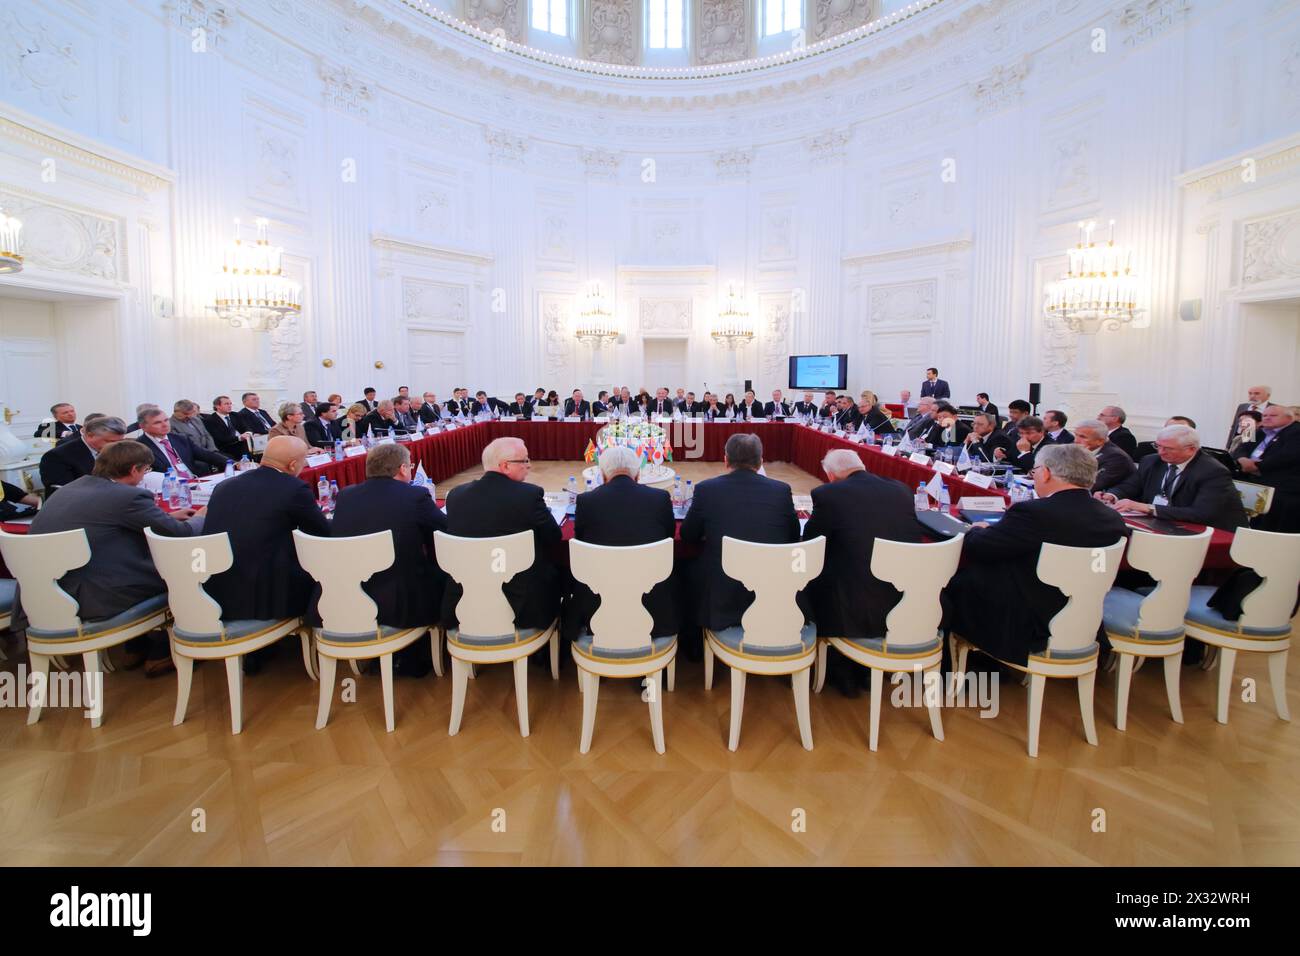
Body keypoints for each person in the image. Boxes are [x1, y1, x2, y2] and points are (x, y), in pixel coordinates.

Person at [17, 440, 205, 676]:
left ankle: (136, 647)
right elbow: (182, 533)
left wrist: (168, 517)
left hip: (43, 595)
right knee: (183, 571)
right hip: (95, 597)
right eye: (146, 470)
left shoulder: (68, 489)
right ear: (135, 470)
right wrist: (200, 516)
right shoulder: (128, 497)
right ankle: (163, 651)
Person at [942, 444, 1129, 666]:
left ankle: (965, 663)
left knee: (953, 582)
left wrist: (977, 530)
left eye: (1035, 470)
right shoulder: (1112, 517)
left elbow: (980, 548)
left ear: (1047, 472)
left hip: (1028, 619)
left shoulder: (1034, 513)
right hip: (1084, 614)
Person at [316, 443, 448, 676]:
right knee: (440, 575)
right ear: (403, 469)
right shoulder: (416, 495)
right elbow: (442, 530)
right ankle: (411, 655)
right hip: (401, 598)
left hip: (347, 592)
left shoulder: (347, 495)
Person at [803, 449, 924, 696]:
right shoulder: (901, 489)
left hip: (852, 603)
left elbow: (811, 542)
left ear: (831, 475)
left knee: (815, 580)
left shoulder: (828, 494)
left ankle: (842, 671)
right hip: (902, 597)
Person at [680, 433, 800, 635]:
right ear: (761, 461)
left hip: (722, 594)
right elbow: (793, 535)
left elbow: (688, 535)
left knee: (685, 569)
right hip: (772, 590)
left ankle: (692, 641)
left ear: (726, 460)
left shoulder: (706, 490)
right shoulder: (781, 490)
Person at [201, 436, 329, 622]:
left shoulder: (224, 486)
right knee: (324, 567)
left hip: (216, 587)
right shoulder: (293, 488)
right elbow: (321, 531)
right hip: (266, 594)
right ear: (293, 465)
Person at [441, 437, 561, 633]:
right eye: (525, 461)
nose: (529, 466)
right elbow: (553, 537)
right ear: (505, 466)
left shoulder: (456, 495)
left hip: (465, 602)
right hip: (522, 605)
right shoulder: (529, 496)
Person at [562, 445, 679, 645]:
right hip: (652, 605)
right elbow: (668, 537)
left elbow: (581, 541)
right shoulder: (660, 499)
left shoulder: (586, 501)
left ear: (603, 475)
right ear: (638, 474)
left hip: (598, 606)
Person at [1097, 424, 1247, 530]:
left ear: (1191, 450)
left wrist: (1147, 508)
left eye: (1168, 448)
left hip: (1208, 532)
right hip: (1165, 524)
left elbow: (1201, 513)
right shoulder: (1152, 461)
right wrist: (1112, 495)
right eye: (1158, 446)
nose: (1161, 452)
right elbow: (1132, 485)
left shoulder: (1213, 472)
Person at [1234, 404, 1300, 532]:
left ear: (1289, 418)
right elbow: (1241, 447)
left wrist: (1257, 466)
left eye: (1273, 416)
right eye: (1265, 415)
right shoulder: (1260, 431)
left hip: (1282, 488)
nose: (1267, 418)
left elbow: (1288, 456)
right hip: (1254, 481)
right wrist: (1242, 460)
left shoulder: (1296, 432)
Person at [39, 416, 129, 494]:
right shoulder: (57, 456)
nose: (115, 446)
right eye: (110, 441)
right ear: (90, 435)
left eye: (119, 441)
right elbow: (65, 491)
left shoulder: (114, 449)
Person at [136, 407, 229, 477]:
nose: (165, 425)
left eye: (166, 420)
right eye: (157, 422)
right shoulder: (139, 447)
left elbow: (206, 454)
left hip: (193, 481)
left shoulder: (180, 439)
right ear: (143, 426)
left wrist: (232, 463)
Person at [1073, 419, 1136, 491]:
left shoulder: (1116, 458)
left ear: (1100, 441)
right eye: (1076, 435)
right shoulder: (1083, 450)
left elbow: (1092, 485)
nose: (1076, 440)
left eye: (1083, 437)